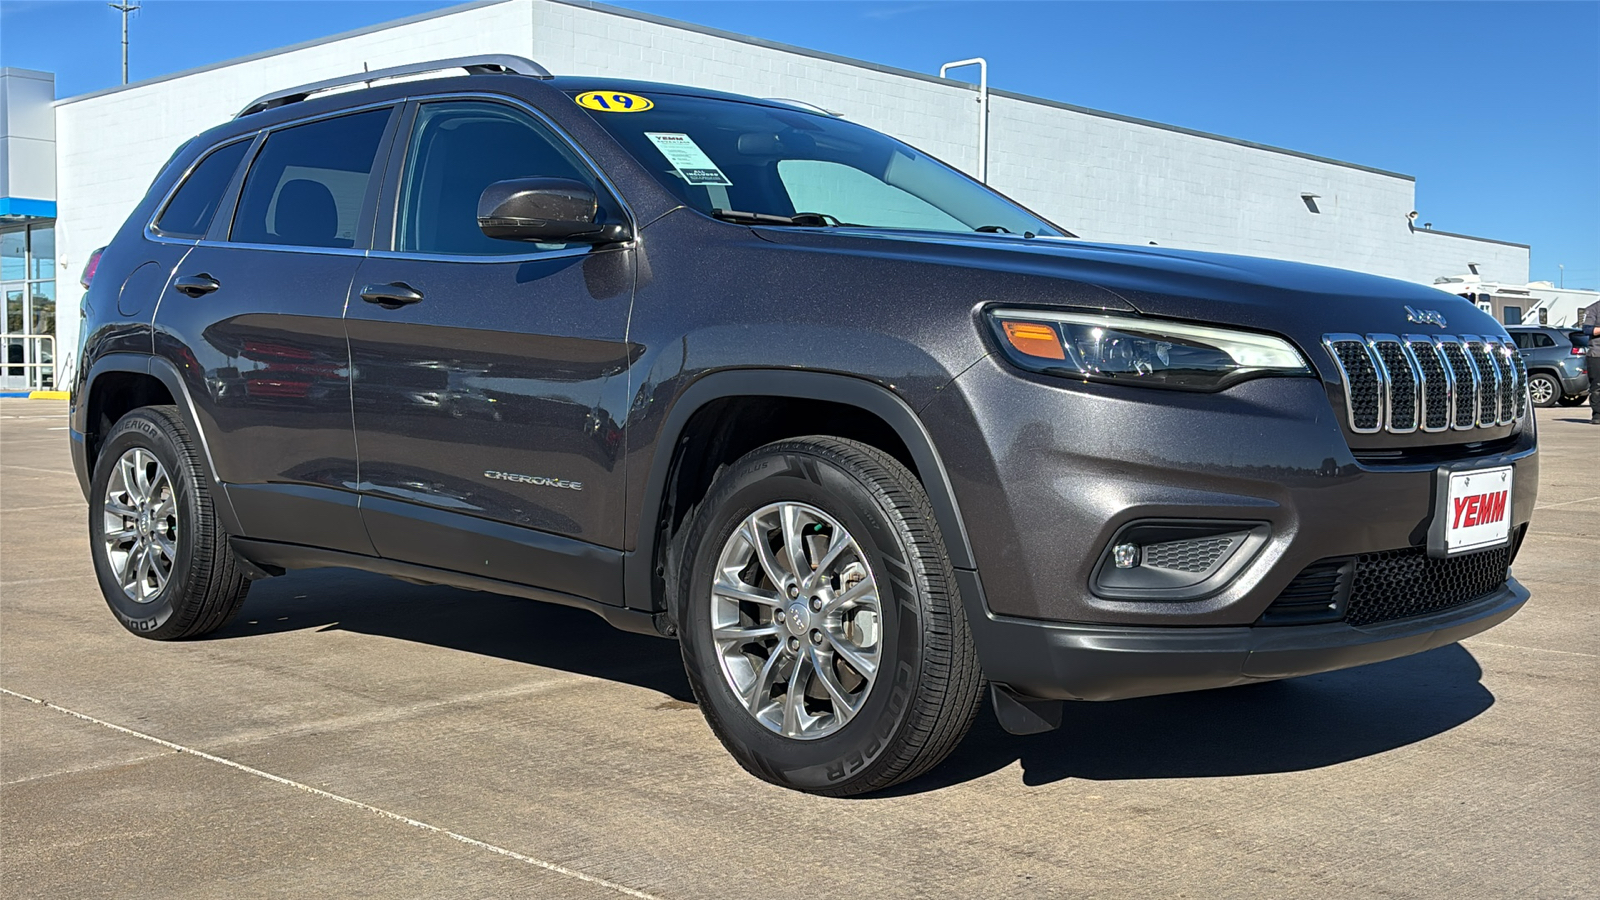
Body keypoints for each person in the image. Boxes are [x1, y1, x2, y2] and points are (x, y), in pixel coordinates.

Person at [1587, 302, 1600, 424]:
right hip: (1597, 354)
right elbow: (1587, 329)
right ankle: (1597, 415)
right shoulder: (1594, 309)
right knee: (1597, 386)